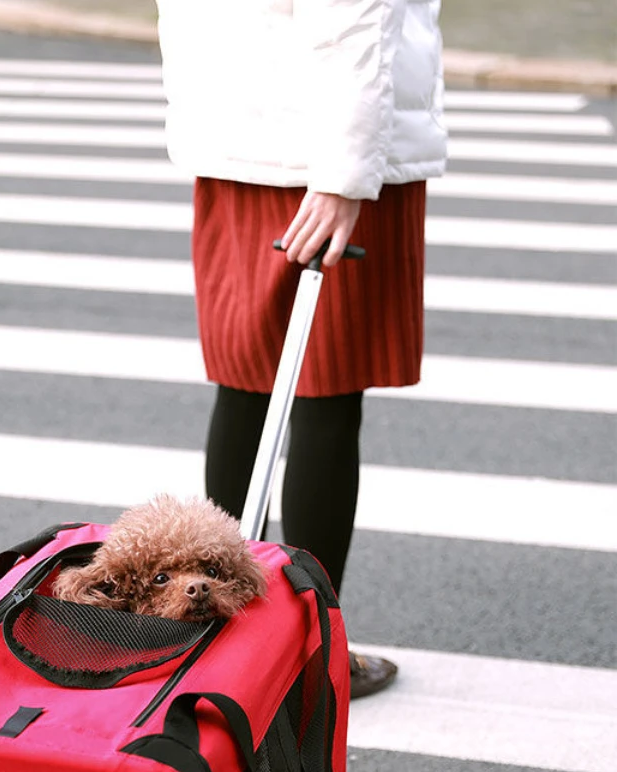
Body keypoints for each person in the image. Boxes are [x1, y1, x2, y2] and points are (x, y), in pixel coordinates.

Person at [155, 0, 448, 697]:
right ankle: (308, 654)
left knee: (249, 383)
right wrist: (345, 175)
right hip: (324, 143)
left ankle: (219, 631)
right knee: (326, 395)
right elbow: (355, 18)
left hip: (236, 133)